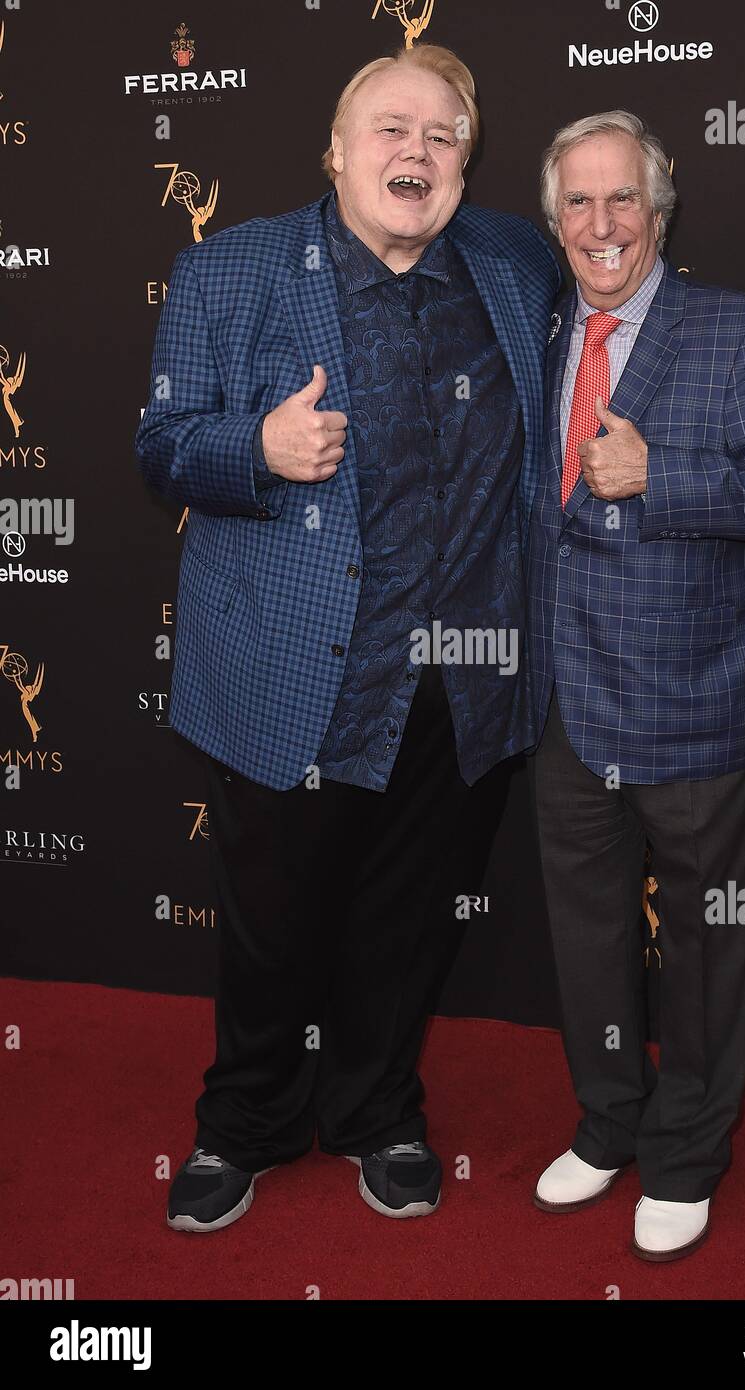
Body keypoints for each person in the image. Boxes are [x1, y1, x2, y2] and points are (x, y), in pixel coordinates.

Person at [135, 42, 559, 1232]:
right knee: (273, 929)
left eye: (441, 136)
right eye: (389, 128)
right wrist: (254, 454)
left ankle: (378, 1112)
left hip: (460, 681)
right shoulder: (228, 271)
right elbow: (160, 448)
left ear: (467, 171)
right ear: (333, 152)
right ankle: (247, 1122)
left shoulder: (517, 266)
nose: (413, 151)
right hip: (290, 672)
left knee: (408, 919)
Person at [526, 110, 745, 1261]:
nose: (600, 225)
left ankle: (689, 1150)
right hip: (564, 702)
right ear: (553, 218)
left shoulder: (741, 331)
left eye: (622, 201)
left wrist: (665, 474)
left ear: (659, 211)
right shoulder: (541, 326)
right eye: (577, 203)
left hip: (700, 695)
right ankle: (609, 1122)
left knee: (708, 940)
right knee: (588, 931)